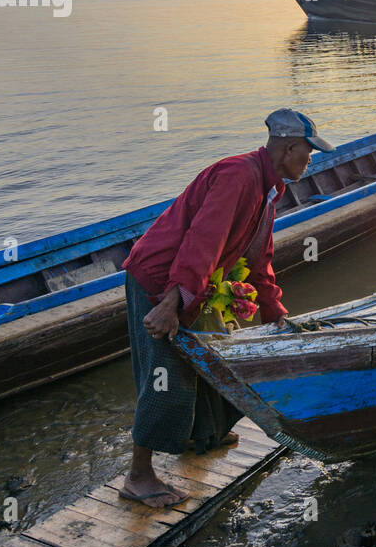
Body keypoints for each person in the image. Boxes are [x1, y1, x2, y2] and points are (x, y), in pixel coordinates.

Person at [119, 109, 333, 508]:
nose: (310, 160)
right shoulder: (238, 176)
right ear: (289, 148)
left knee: (215, 357)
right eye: (308, 152)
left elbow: (257, 259)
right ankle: (138, 476)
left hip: (190, 281)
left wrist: (276, 315)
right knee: (165, 375)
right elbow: (203, 241)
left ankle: (203, 436)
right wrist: (172, 302)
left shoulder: (270, 188)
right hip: (161, 280)